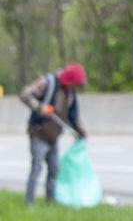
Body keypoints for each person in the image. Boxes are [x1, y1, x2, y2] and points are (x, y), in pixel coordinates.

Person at [20, 63, 87, 205]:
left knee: (54, 169)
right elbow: (25, 95)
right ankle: (29, 203)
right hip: (39, 133)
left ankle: (50, 202)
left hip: (53, 137)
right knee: (36, 168)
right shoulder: (48, 82)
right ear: (69, 80)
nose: (76, 87)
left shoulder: (71, 93)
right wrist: (40, 107)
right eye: (75, 84)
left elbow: (73, 116)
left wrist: (81, 132)